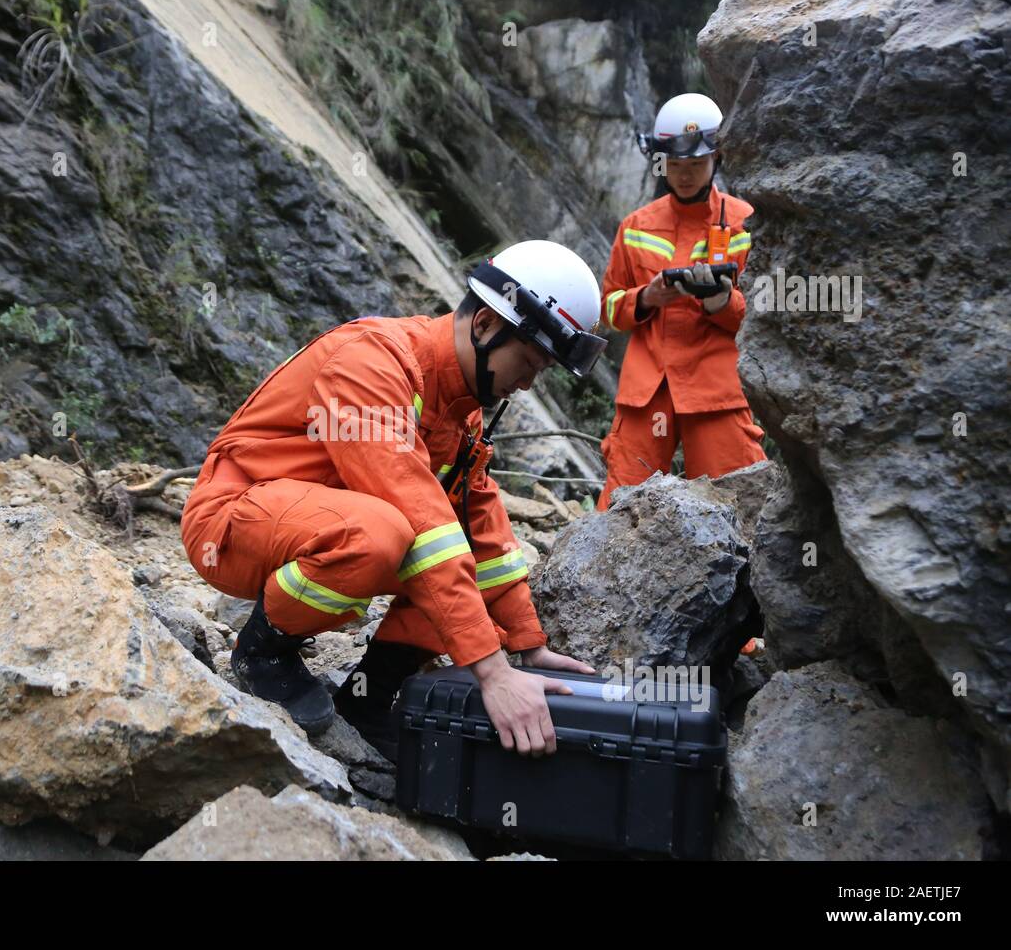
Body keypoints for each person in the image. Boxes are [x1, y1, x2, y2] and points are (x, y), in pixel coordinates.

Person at [181, 241, 608, 761]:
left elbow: (482, 533)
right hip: (231, 520)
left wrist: (527, 644)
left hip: (318, 525)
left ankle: (370, 697)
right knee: (390, 533)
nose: (525, 384)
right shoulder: (370, 362)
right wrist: (493, 672)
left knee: (452, 551)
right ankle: (263, 653)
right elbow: (416, 511)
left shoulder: (462, 412)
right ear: (486, 326)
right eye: (530, 362)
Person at [597, 92, 766, 512]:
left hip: (715, 391)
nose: (684, 175)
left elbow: (763, 322)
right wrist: (647, 297)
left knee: (737, 504)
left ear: (717, 159)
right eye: (674, 166)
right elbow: (608, 309)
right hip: (647, 391)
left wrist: (721, 301)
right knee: (619, 510)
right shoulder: (636, 227)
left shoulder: (747, 224)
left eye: (695, 165)